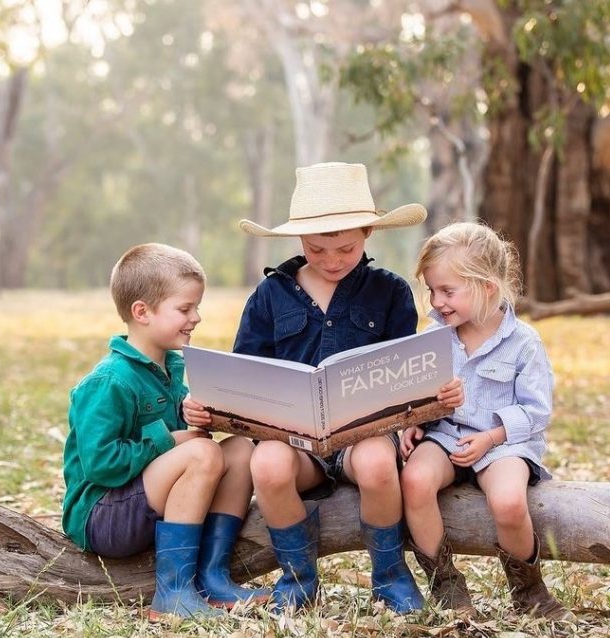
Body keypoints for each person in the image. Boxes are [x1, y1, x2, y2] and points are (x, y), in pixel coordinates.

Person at [184, 162, 461, 613]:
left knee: (375, 462)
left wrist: (424, 410)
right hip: (294, 442)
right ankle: (299, 578)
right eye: (317, 250)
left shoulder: (390, 292)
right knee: (268, 464)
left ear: (368, 233)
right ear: (298, 241)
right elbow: (243, 375)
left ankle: (389, 573)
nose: (332, 261)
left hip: (365, 436)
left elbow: (408, 375)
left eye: (345, 249)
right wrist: (208, 406)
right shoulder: (270, 295)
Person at [61, 243, 266, 618]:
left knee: (239, 450)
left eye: (196, 307)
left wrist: (201, 419)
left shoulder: (170, 368)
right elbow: (100, 464)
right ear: (142, 312)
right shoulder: (109, 381)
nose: (196, 317)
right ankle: (172, 592)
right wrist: (170, 439)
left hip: (148, 501)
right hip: (104, 517)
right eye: (185, 309)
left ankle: (211, 576)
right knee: (203, 453)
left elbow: (182, 447)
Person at [399, 222, 572, 621]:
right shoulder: (435, 335)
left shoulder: (523, 342)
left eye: (447, 291)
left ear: (487, 287)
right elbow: (419, 393)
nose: (436, 301)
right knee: (415, 480)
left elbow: (536, 411)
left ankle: (527, 589)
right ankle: (445, 582)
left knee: (510, 502)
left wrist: (492, 437)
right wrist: (416, 420)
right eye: (432, 290)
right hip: (445, 436)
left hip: (503, 442)